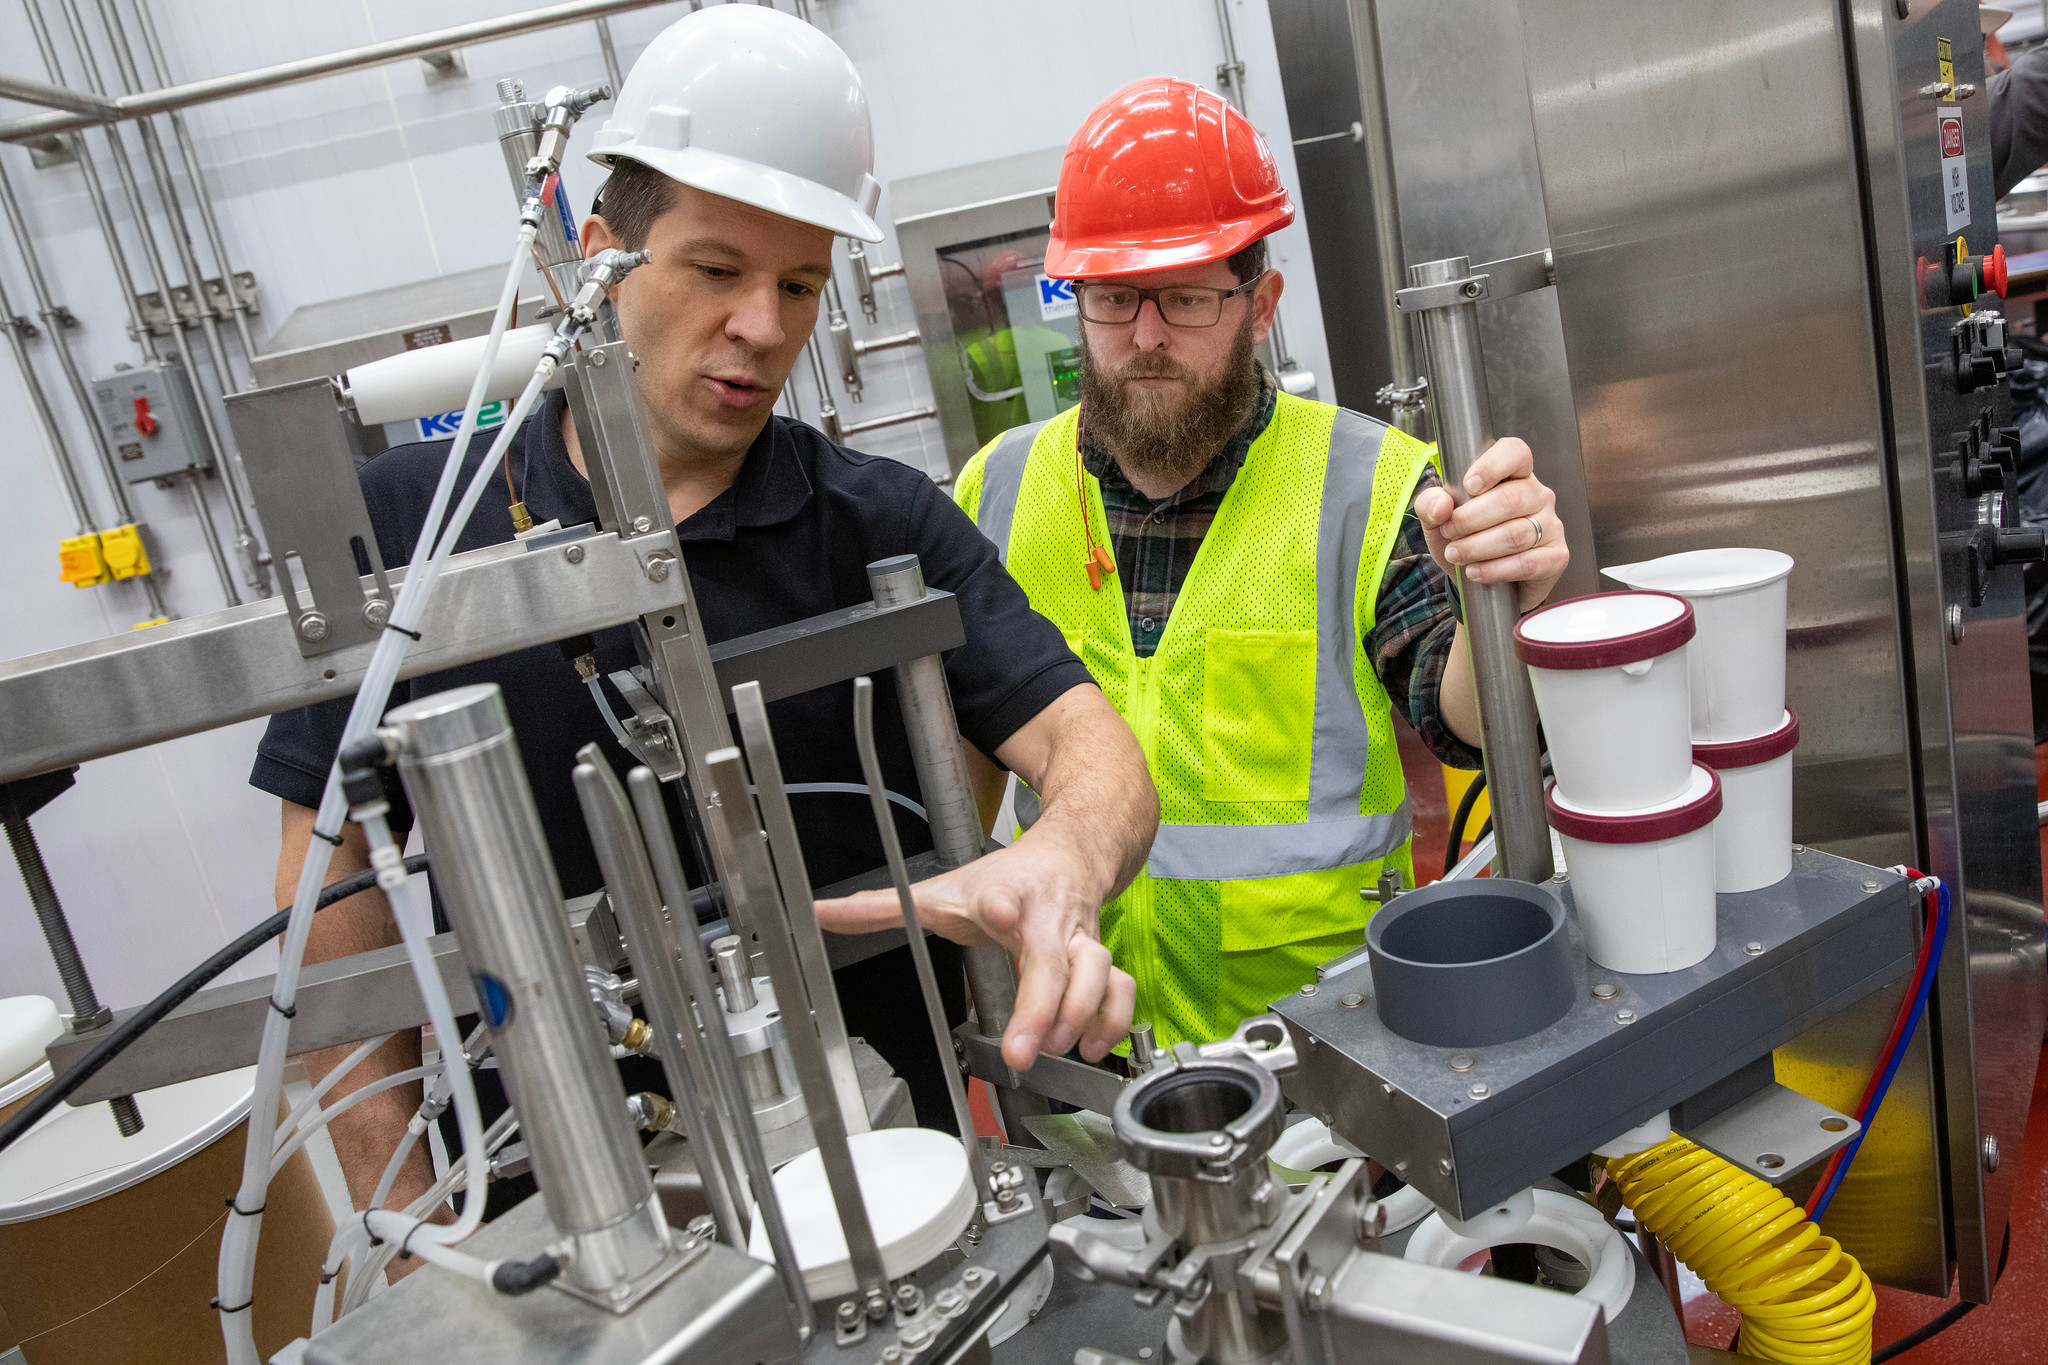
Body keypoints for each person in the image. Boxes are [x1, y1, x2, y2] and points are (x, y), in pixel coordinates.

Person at [254, 6, 1154, 1252]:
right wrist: (410, 1236)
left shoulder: (875, 519)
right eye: (716, 270)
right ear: (592, 253)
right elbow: (335, 917)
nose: (762, 327)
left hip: (884, 1178)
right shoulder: (409, 535)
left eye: (798, 285)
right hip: (551, 1215)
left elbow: (1089, 748)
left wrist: (1065, 862)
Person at [903, 77, 1572, 1048]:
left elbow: (1460, 721)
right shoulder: (992, 489)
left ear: (1259, 303)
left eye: (1183, 299)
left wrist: (1502, 599)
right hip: (1077, 1062)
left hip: (1326, 1061)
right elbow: (948, 764)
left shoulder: (1369, 483)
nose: (1144, 337)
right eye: (1113, 298)